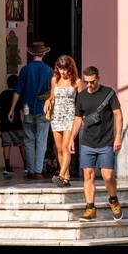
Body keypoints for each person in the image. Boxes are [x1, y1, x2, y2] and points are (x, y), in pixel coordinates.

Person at [70, 66, 123, 222]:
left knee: (108, 176)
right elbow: (78, 118)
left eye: (92, 82)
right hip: (87, 142)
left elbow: (118, 115)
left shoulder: (109, 93)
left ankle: (113, 200)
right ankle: (90, 208)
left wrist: (118, 137)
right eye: (87, 82)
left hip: (106, 141)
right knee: (88, 175)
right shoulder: (81, 96)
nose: (90, 85)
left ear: (98, 78)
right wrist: (72, 138)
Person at [9, 41, 53, 180]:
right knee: (41, 140)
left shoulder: (25, 70)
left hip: (27, 108)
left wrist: (12, 109)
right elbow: (52, 91)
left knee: (28, 139)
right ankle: (38, 170)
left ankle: (30, 170)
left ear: (31, 54)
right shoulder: (49, 70)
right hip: (43, 109)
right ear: (44, 53)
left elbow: (18, 91)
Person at [46, 55, 82, 187]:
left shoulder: (76, 81)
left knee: (66, 147)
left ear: (70, 68)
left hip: (70, 116)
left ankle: (61, 175)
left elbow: (81, 101)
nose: (63, 72)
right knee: (59, 149)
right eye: (60, 69)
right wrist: (47, 101)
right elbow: (51, 96)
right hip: (56, 116)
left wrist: (80, 117)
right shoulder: (54, 80)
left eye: (65, 69)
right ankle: (66, 177)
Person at [0, 74, 27, 178]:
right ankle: (26, 165)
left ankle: (7, 167)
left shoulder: (2, 94)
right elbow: (23, 109)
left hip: (4, 124)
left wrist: (3, 115)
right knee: (21, 144)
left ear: (7, 83)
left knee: (6, 145)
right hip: (17, 124)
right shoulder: (18, 95)